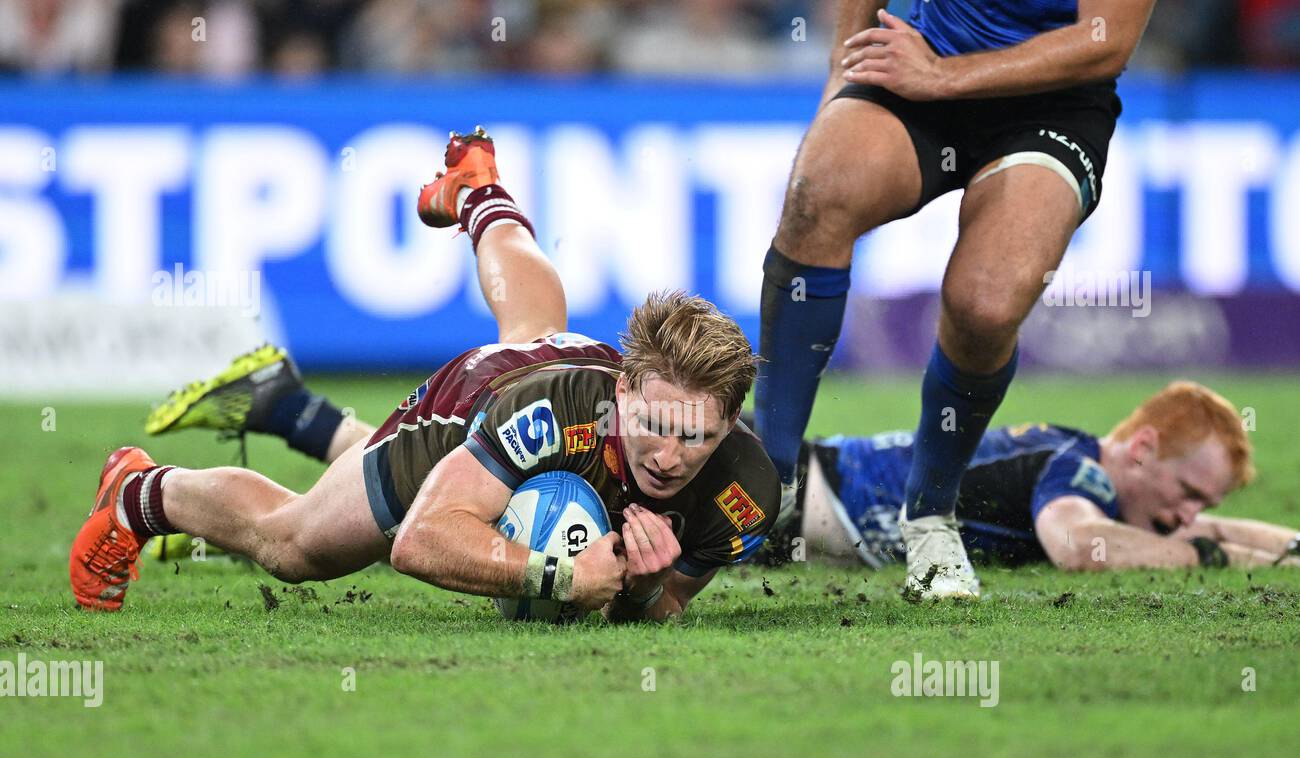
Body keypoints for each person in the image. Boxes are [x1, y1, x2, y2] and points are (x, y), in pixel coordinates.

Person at [69, 128, 779, 619]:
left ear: (730, 426)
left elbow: (663, 611)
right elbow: (419, 542)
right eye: (654, 425)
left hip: (550, 370)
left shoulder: (745, 490)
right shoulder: (545, 415)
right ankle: (139, 492)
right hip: (473, 405)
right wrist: (557, 576)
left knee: (538, 324)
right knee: (294, 545)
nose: (669, 455)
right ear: (623, 389)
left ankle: (477, 193)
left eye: (698, 438)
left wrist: (644, 590)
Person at [755, 0, 1156, 599]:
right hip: (917, 56)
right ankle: (769, 478)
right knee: (818, 195)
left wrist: (942, 78)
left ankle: (929, 517)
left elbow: (1105, 40)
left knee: (987, 305)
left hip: (1050, 102)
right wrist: (842, 72)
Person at [763, 382, 1300, 576]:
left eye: (1201, 503)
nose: (1189, 516)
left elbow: (1208, 529)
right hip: (782, 489)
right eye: (1187, 494)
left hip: (793, 501)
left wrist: (1287, 550)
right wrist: (1217, 557)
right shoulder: (1077, 472)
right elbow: (1083, 548)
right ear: (1142, 450)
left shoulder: (1081, 462)